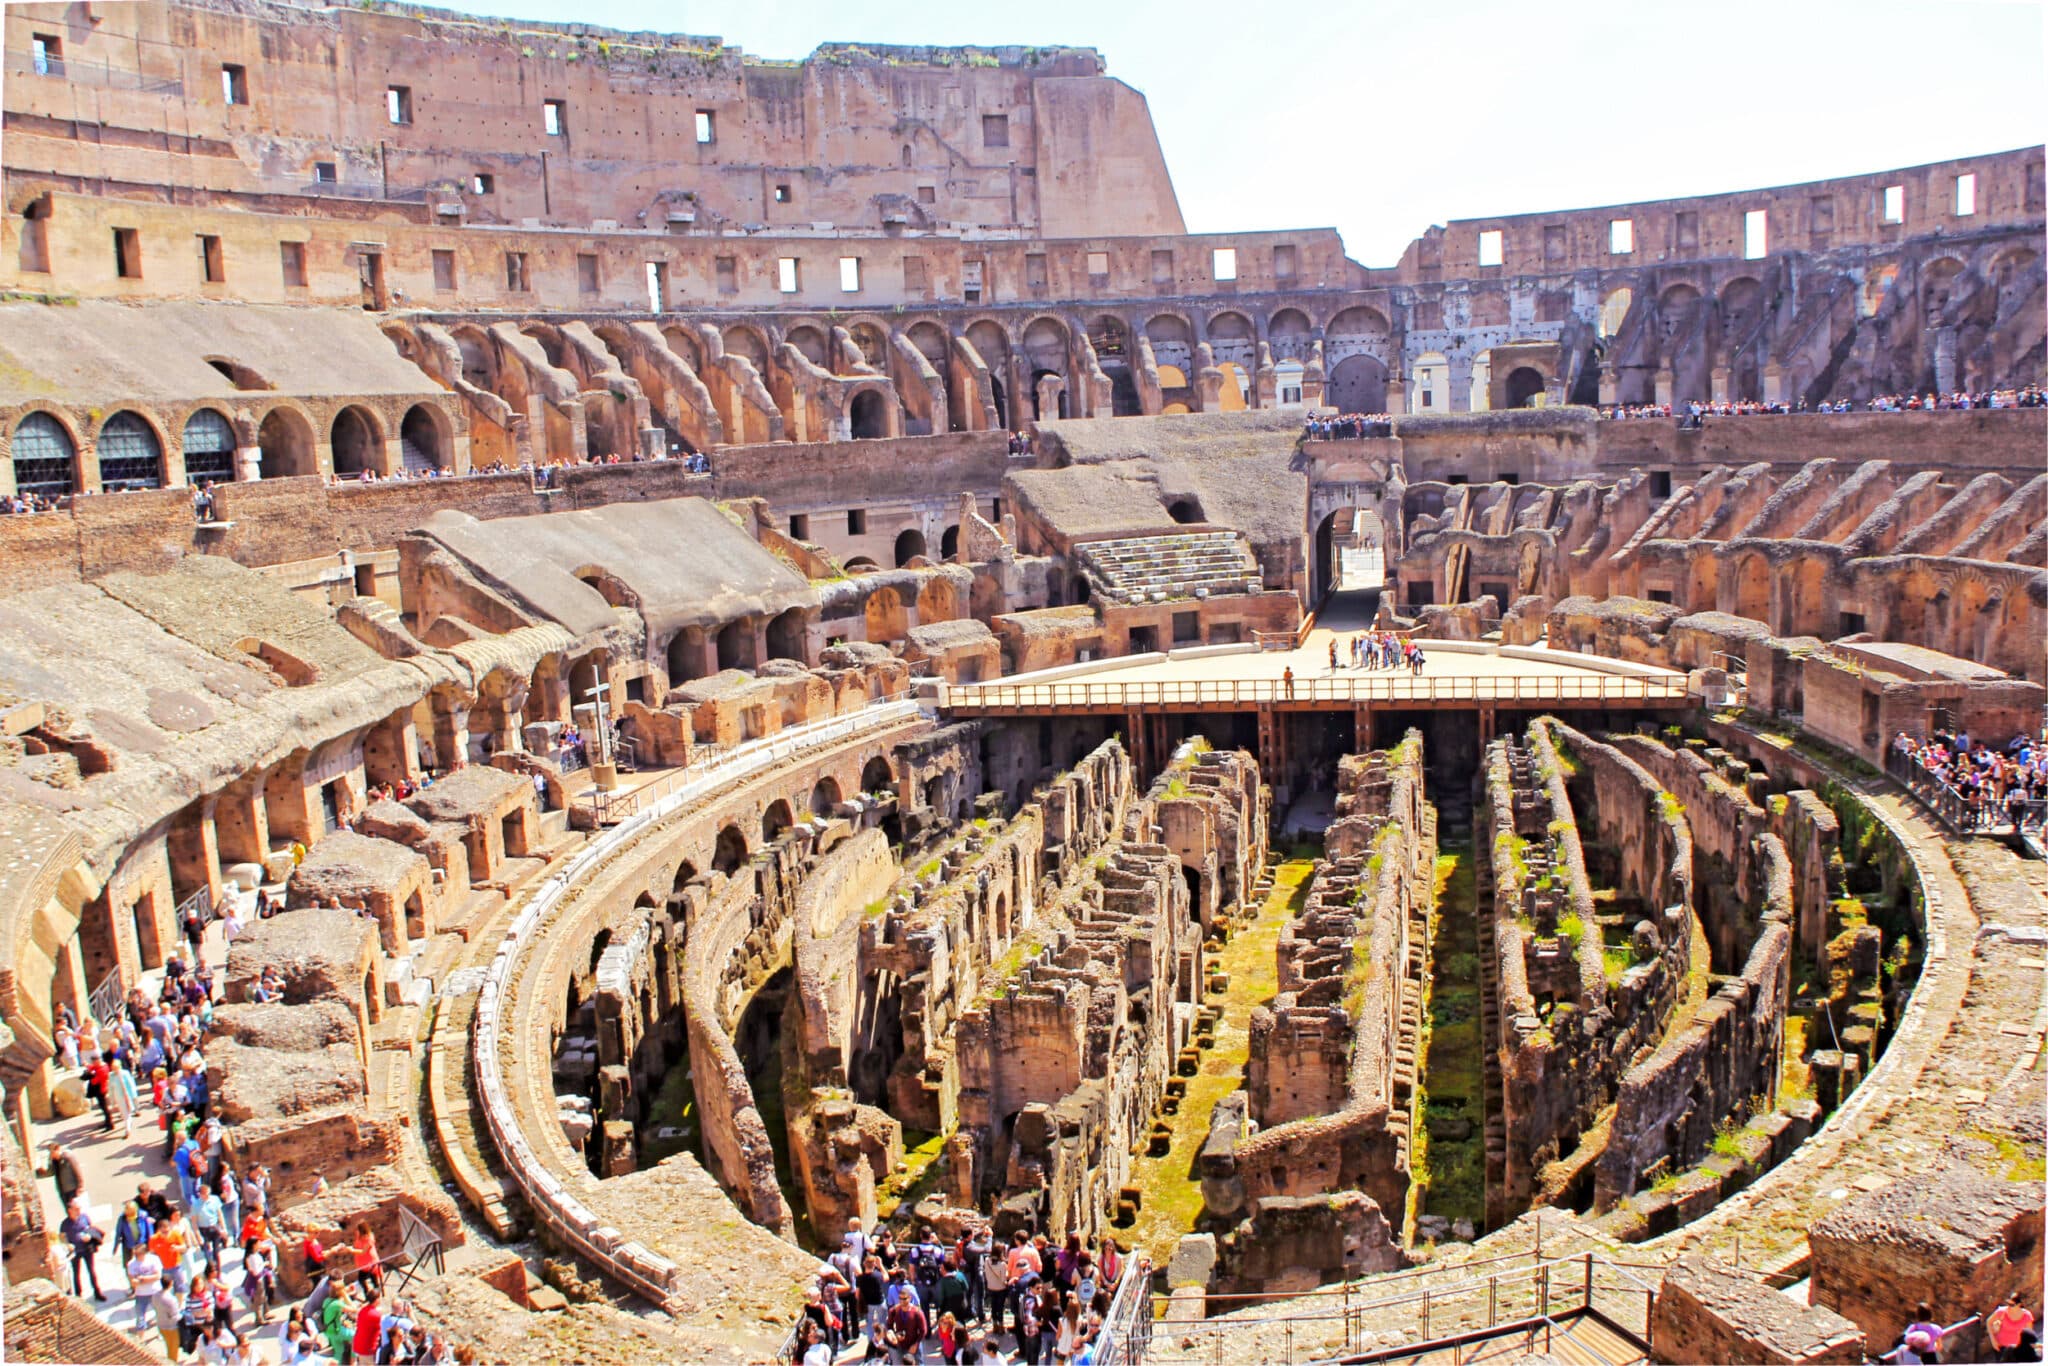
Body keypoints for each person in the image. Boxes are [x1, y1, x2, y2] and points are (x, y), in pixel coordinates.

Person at [59, 1196, 106, 1300]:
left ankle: (97, 1293)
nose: (79, 1211)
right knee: (76, 1274)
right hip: (75, 1252)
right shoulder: (65, 1224)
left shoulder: (84, 1217)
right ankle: (79, 1296)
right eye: (76, 1209)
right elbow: (62, 1239)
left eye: (79, 1208)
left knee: (92, 1271)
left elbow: (91, 1228)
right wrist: (67, 1245)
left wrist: (89, 1236)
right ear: (70, 1210)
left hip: (87, 1249)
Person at [1988, 1293, 2037, 1363]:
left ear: (2019, 1305)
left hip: (2017, 1350)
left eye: (2012, 1305)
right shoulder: (2002, 1311)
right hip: (2001, 1347)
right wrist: (1993, 1340)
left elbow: (2029, 1335)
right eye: (2008, 1303)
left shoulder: (2027, 1316)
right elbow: (1988, 1322)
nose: (2008, 1307)